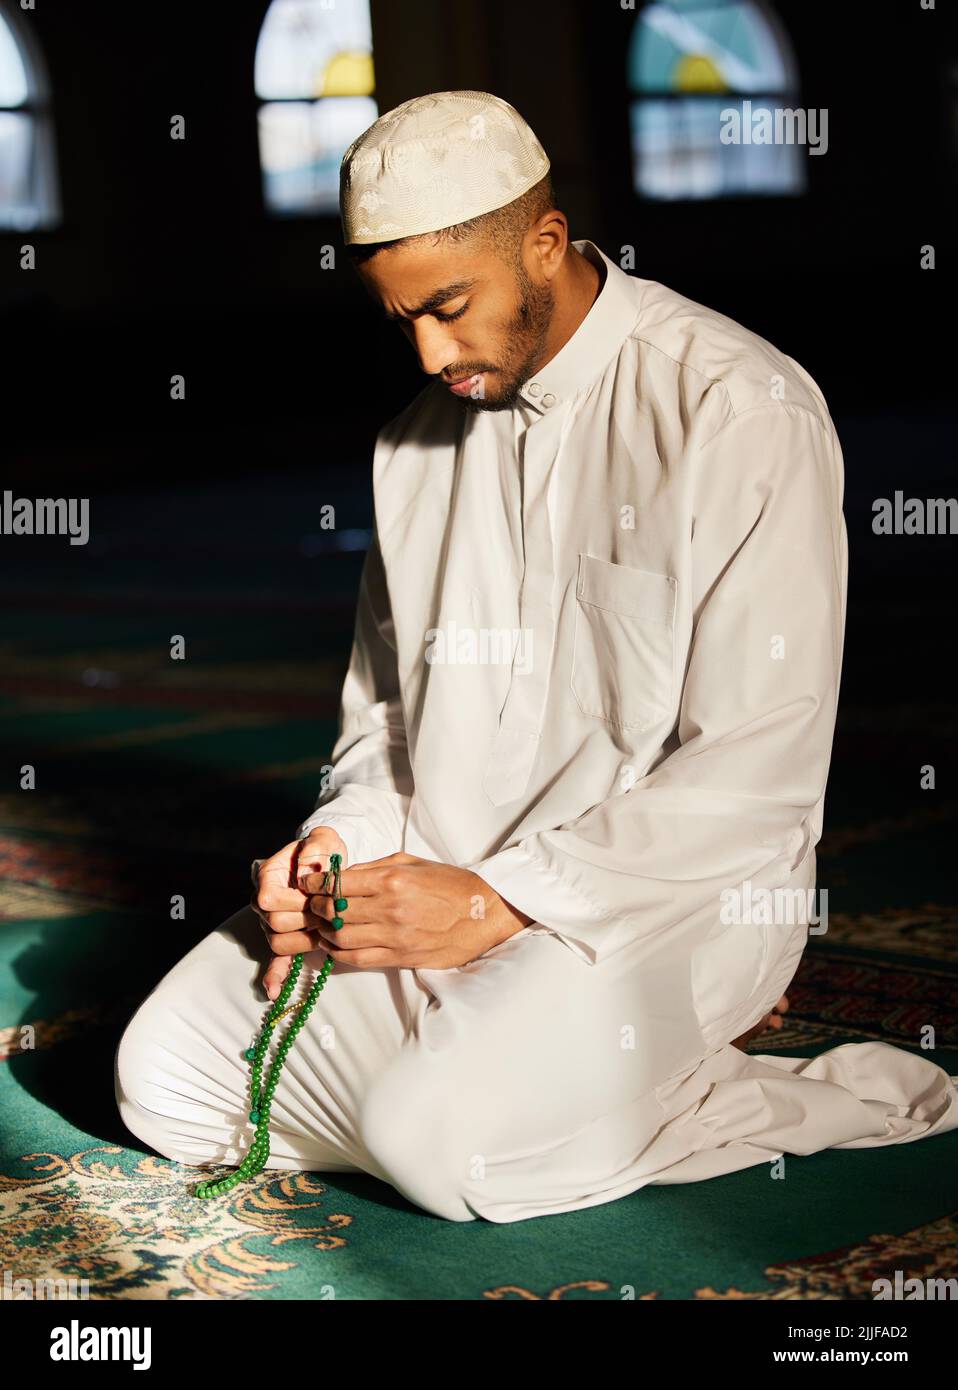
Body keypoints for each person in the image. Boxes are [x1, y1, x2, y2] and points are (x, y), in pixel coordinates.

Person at [114, 91, 958, 1223]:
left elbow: (753, 781)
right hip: (433, 877)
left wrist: (498, 904)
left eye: (451, 307)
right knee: (159, 1077)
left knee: (435, 1145)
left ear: (546, 243)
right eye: (401, 317)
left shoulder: (735, 407)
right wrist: (338, 843)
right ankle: (485, 1079)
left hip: (659, 907)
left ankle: (691, 1090)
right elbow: (386, 725)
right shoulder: (414, 442)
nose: (429, 351)